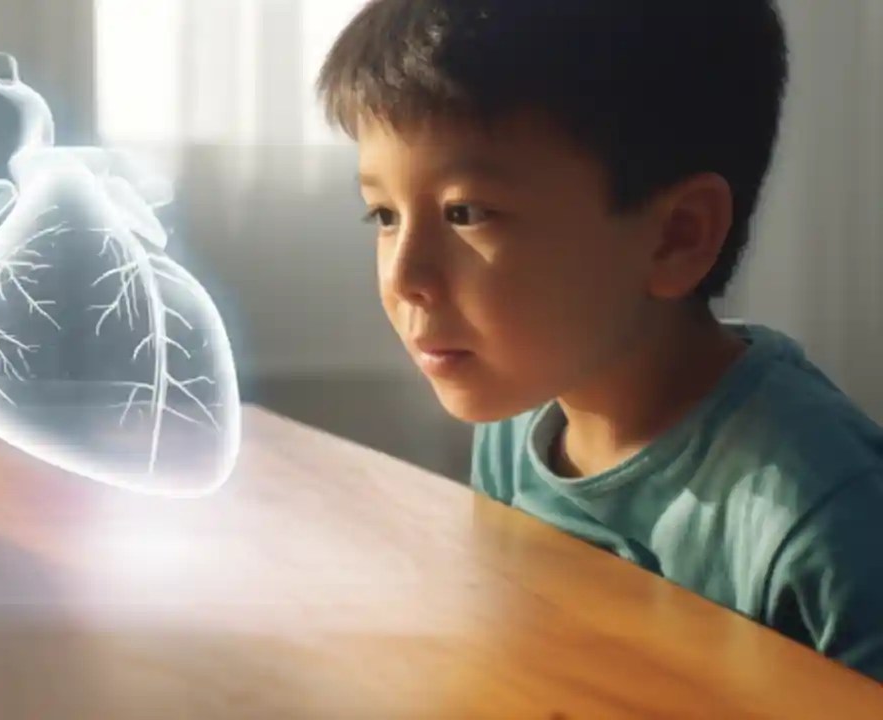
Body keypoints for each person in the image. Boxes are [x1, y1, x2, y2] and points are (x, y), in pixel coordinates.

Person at [317, 0, 883, 681]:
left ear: (677, 236)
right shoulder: (521, 415)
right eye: (382, 214)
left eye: (465, 213)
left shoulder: (820, 511)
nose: (404, 276)